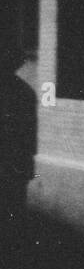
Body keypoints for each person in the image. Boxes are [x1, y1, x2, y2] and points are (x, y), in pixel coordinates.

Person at [0, 44, 36, 245]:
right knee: (14, 204)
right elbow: (31, 131)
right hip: (18, 160)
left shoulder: (24, 92)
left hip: (9, 158)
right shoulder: (26, 92)